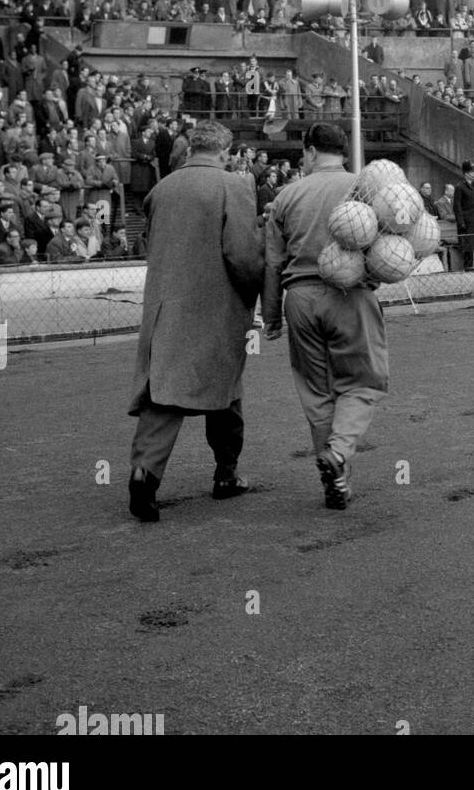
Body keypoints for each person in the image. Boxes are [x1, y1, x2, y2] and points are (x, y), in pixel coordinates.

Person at [127, 120, 264, 522]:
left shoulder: (161, 189)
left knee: (162, 396)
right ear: (225, 152)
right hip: (216, 311)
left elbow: (152, 247)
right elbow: (242, 255)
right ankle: (226, 474)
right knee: (226, 393)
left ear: (190, 150)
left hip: (165, 310)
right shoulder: (233, 187)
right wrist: (258, 289)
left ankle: (144, 473)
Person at [263, 122, 390, 511]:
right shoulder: (363, 188)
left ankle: (335, 478)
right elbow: (387, 244)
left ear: (312, 152)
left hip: (298, 298)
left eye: (304, 154)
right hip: (350, 294)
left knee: (316, 391)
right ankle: (338, 452)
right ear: (344, 153)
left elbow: (271, 262)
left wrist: (270, 317)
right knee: (363, 381)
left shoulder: (286, 195)